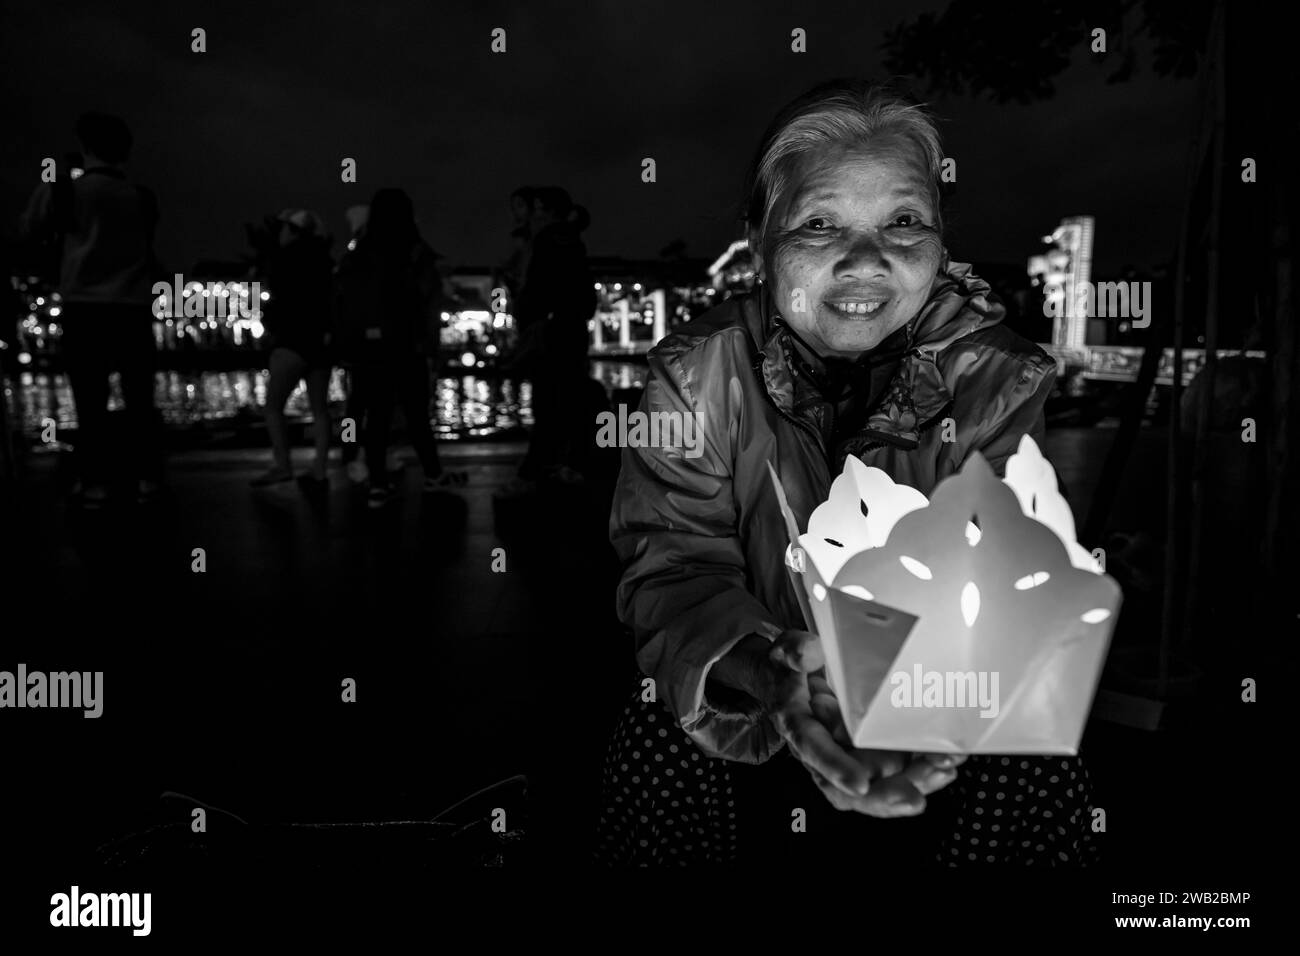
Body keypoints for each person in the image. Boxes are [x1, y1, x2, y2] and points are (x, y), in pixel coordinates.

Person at [595, 79, 1099, 867]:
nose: (867, 261)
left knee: (1032, 762)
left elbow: (992, 578)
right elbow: (672, 563)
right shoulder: (694, 375)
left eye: (903, 221)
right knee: (659, 719)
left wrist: (911, 697)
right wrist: (766, 668)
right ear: (762, 245)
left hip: (935, 691)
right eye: (820, 223)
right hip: (750, 693)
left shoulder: (998, 378)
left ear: (938, 240)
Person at [18, 112, 161, 507]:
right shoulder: (141, 197)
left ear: (84, 146)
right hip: (132, 307)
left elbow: (30, 228)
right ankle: (148, 478)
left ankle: (96, 482)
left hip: (85, 307)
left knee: (89, 401)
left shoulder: (65, 190)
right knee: (140, 401)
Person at [333, 188, 464, 509]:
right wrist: (431, 349)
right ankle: (433, 475)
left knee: (375, 416)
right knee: (418, 416)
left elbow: (343, 301)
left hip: (369, 349)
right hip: (408, 345)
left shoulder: (359, 253)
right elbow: (428, 302)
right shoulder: (415, 251)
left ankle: (378, 484)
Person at [511, 186, 597, 487]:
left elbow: (538, 290)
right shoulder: (570, 239)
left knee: (548, 399)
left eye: (535, 208)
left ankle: (544, 464)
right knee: (564, 397)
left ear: (547, 212)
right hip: (567, 330)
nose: (530, 215)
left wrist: (527, 314)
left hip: (552, 332)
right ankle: (566, 461)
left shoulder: (549, 240)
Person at [250, 209, 335, 487]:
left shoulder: (282, 260)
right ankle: (320, 467)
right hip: (320, 345)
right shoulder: (325, 261)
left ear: (292, 231)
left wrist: (270, 328)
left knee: (274, 407)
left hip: (291, 341)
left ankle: (283, 465)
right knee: (320, 410)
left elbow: (275, 303)